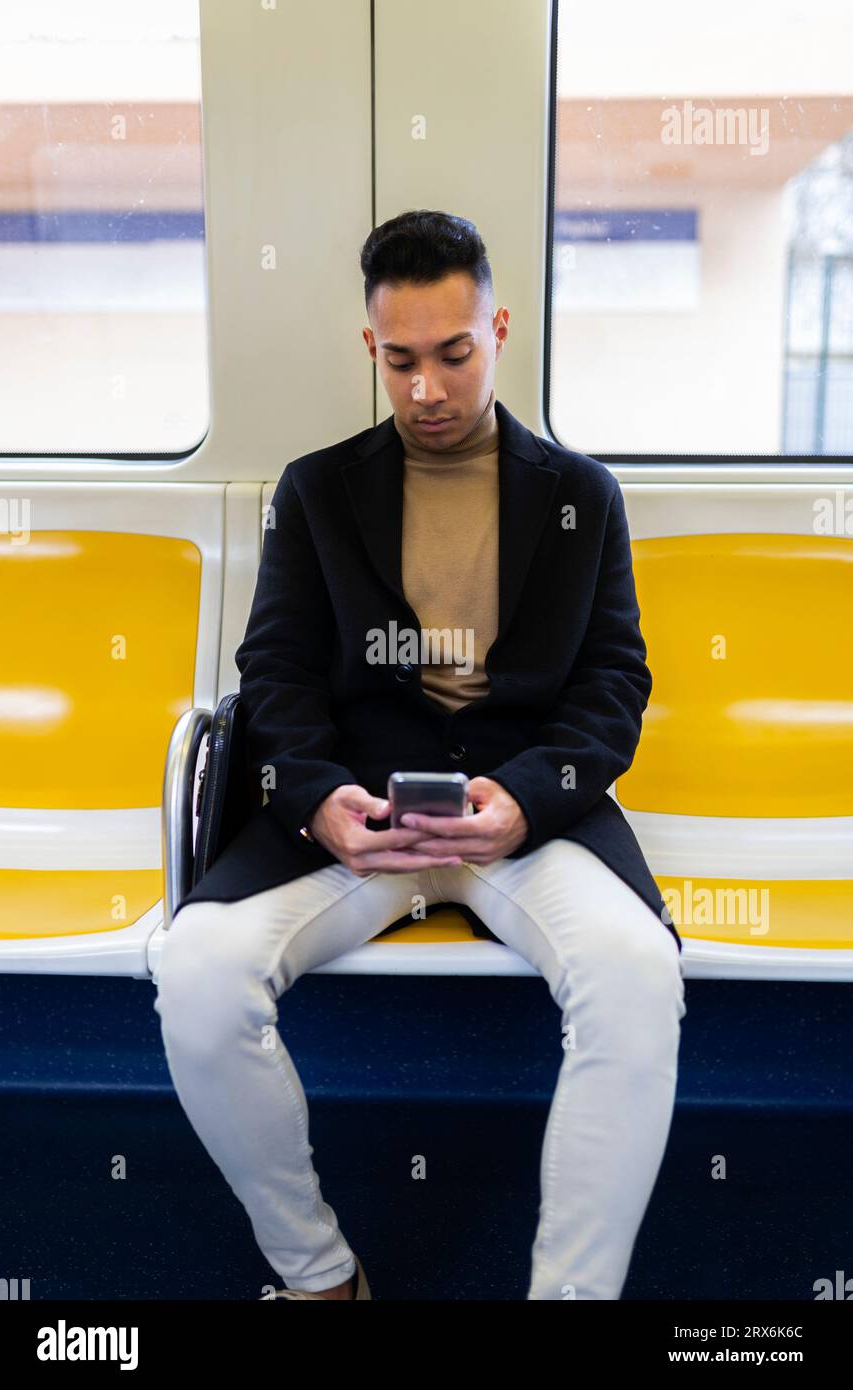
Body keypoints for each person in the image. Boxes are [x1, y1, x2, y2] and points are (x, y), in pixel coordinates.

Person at [153, 209, 686, 1301]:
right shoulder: (314, 491)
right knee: (196, 975)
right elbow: (280, 678)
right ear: (370, 350)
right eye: (400, 361)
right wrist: (316, 802)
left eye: (453, 354)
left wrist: (524, 800)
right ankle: (318, 1275)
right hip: (361, 818)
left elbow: (612, 688)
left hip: (523, 815)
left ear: (496, 329)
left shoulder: (581, 497)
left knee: (638, 978)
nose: (428, 389)